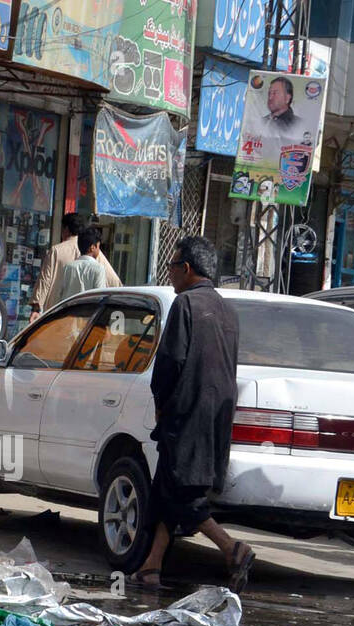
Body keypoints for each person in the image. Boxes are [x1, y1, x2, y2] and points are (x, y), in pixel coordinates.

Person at [131, 236, 256, 593]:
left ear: (186, 269)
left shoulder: (185, 304)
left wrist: (160, 404)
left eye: (172, 267)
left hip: (185, 415)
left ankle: (232, 547)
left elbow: (169, 363)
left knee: (184, 496)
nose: (170, 274)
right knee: (166, 490)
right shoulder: (227, 310)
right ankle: (151, 566)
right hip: (215, 416)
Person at [31, 213, 120, 320]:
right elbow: (114, 281)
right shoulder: (94, 251)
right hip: (85, 316)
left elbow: (45, 281)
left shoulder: (57, 251)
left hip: (57, 313)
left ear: (66, 229)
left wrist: (36, 308)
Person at [54, 227, 108, 303]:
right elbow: (99, 297)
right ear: (92, 247)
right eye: (98, 246)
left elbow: (60, 294)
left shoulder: (68, 267)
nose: (99, 250)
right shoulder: (99, 269)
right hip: (87, 313)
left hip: (68, 312)